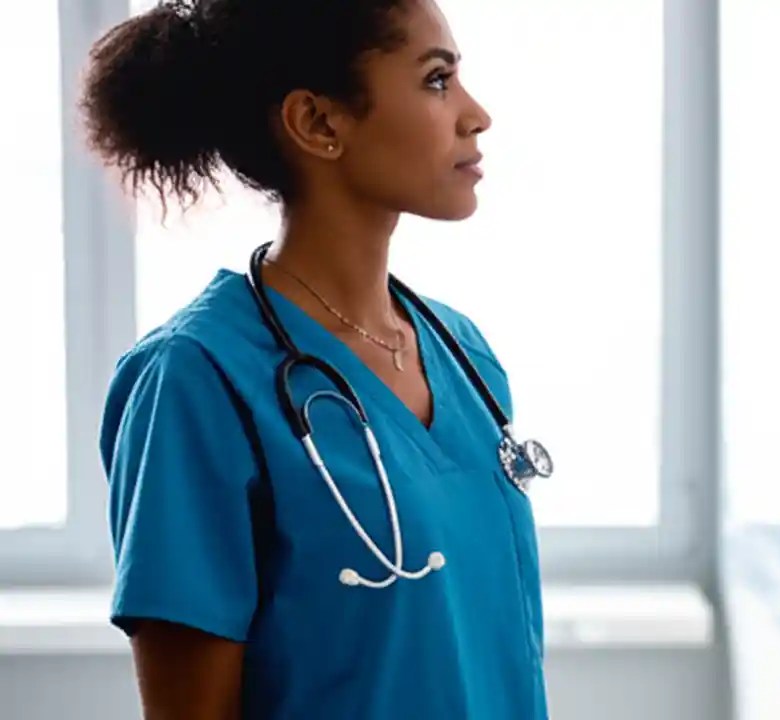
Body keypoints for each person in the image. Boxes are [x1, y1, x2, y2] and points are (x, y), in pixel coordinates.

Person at [82, 1, 549, 717]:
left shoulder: (465, 355)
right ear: (319, 123)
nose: (475, 114)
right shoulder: (195, 380)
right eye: (435, 80)